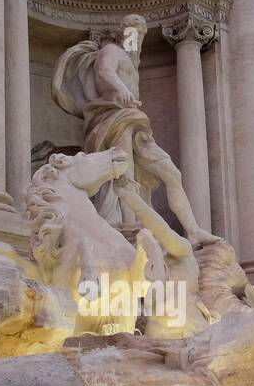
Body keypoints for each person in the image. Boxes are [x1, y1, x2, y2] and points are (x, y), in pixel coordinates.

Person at [51, 15, 217, 246]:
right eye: (131, 32)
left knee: (172, 173)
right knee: (123, 174)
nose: (135, 38)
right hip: (114, 118)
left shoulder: (132, 61)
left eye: (139, 34)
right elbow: (104, 72)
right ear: (122, 33)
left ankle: (193, 230)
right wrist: (120, 89)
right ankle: (127, 230)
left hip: (134, 122)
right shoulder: (111, 50)